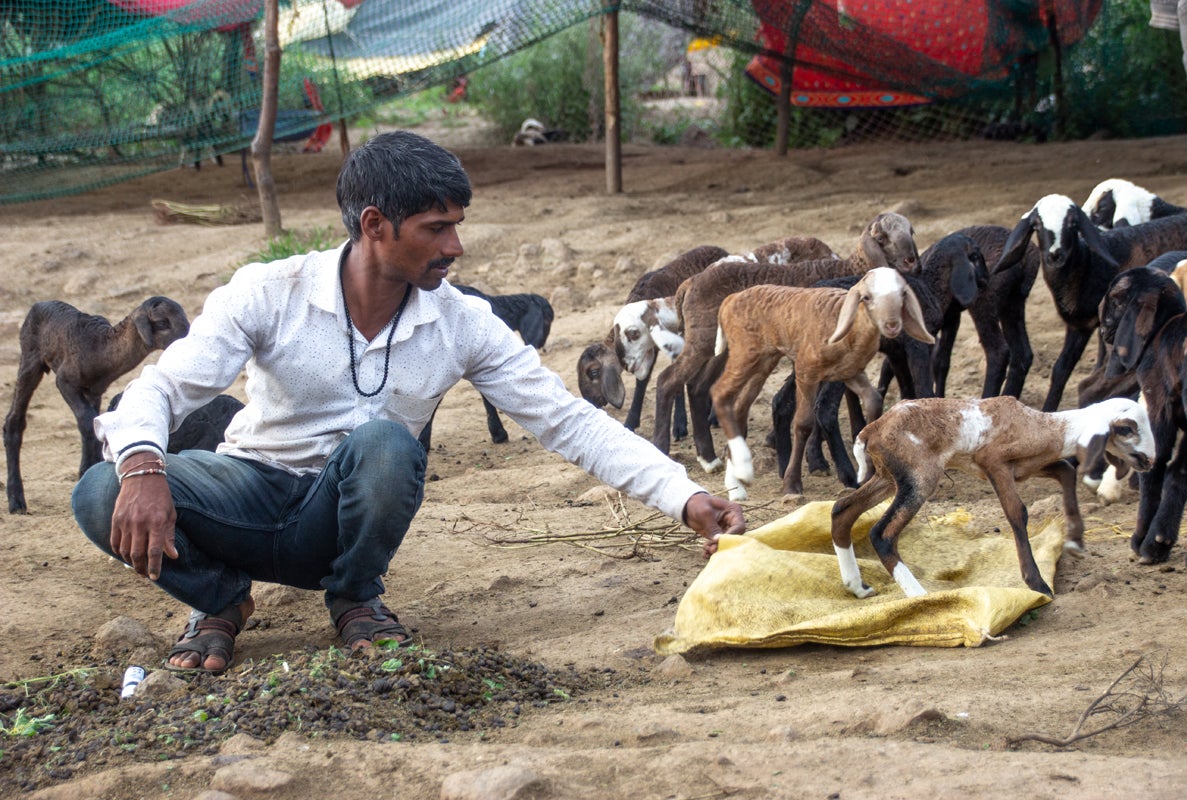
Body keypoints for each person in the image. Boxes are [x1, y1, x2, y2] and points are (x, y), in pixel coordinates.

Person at [72, 130, 746, 675]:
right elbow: (161, 387)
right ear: (375, 225)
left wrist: (683, 498)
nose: (455, 246)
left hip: (342, 520)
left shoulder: (464, 322)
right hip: (245, 493)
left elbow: (567, 421)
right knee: (100, 491)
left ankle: (356, 599)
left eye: (456, 225)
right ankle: (219, 602)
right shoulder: (268, 290)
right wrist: (142, 469)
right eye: (436, 228)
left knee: (387, 443)